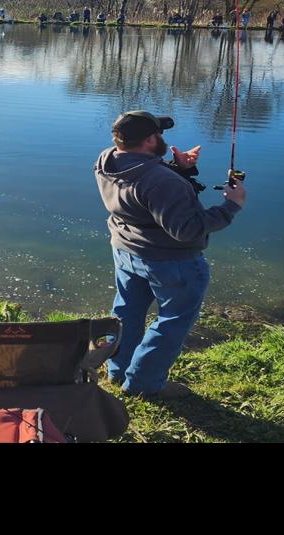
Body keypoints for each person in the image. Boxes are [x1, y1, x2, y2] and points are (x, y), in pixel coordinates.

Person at [93, 111, 245, 398]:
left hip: (126, 250)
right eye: (159, 134)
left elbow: (141, 193)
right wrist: (231, 206)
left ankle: (117, 370)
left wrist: (178, 168)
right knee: (173, 321)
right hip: (170, 262)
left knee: (127, 311)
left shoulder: (108, 161)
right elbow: (187, 230)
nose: (163, 138)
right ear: (150, 139)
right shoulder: (162, 180)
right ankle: (143, 385)